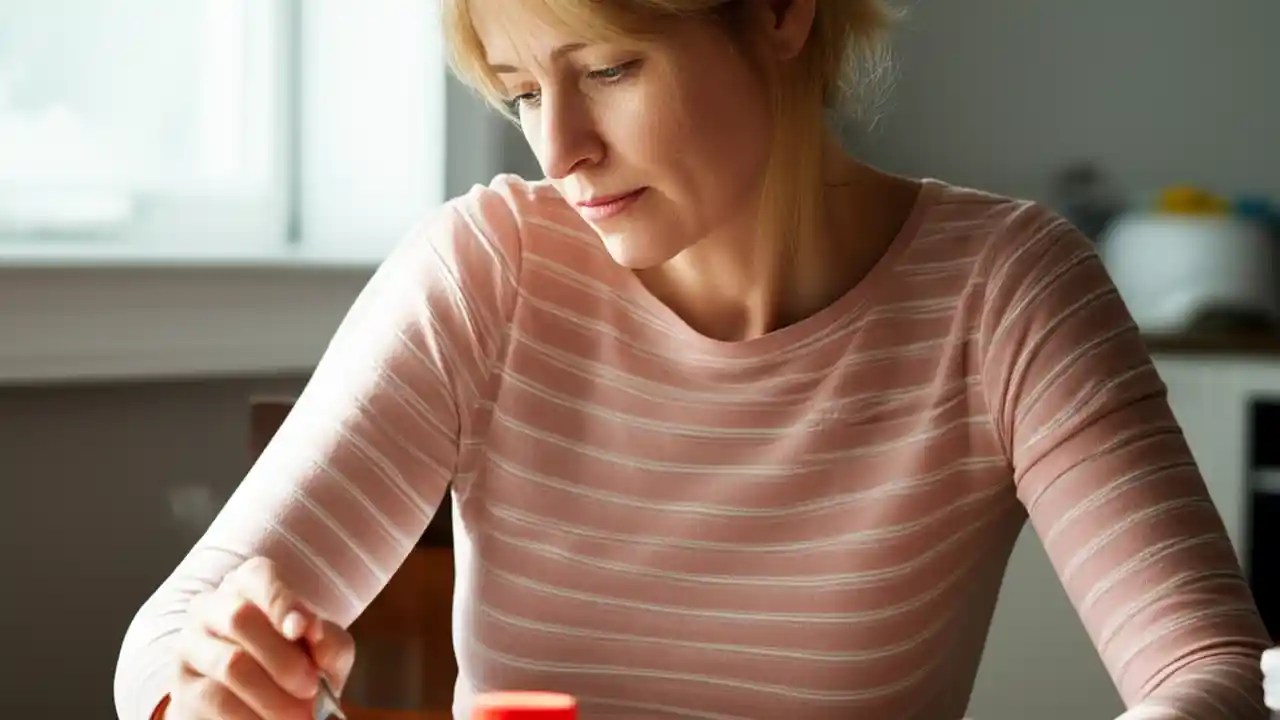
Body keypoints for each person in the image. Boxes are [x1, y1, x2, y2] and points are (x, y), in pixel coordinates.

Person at [113, 1, 1274, 718]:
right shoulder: (488, 270)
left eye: (608, 68)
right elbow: (163, 646)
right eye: (522, 92)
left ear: (778, 9)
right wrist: (212, 680)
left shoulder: (1004, 294)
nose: (560, 149)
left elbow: (1214, 676)